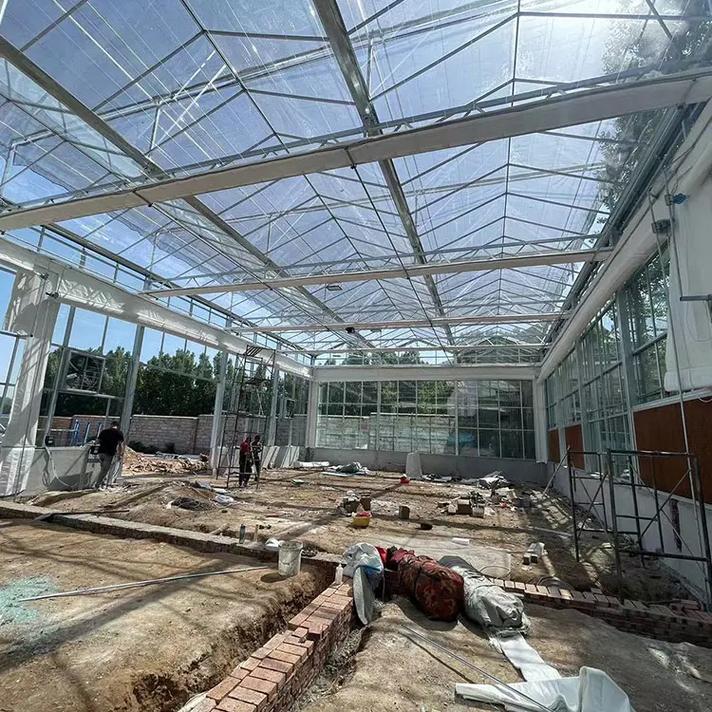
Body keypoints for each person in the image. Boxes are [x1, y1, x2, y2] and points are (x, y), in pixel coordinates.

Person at [96, 421, 124, 487]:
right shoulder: (119, 433)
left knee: (103, 469)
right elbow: (120, 445)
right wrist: (120, 454)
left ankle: (103, 483)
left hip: (100, 452)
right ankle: (98, 484)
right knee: (105, 470)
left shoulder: (104, 431)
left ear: (111, 425)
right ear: (118, 426)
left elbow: (97, 441)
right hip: (109, 453)